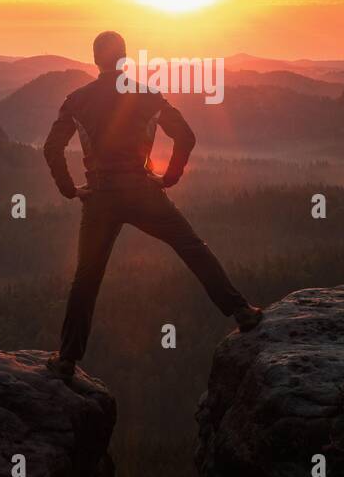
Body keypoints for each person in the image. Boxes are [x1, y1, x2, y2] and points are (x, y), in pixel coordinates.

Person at [42, 31, 263, 382]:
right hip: (142, 191)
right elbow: (185, 135)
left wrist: (71, 190)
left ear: (96, 60)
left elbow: (51, 149)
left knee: (87, 277)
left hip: (99, 196)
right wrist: (168, 178)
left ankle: (67, 360)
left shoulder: (77, 100)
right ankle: (241, 311)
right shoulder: (145, 94)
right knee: (191, 246)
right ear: (125, 58)